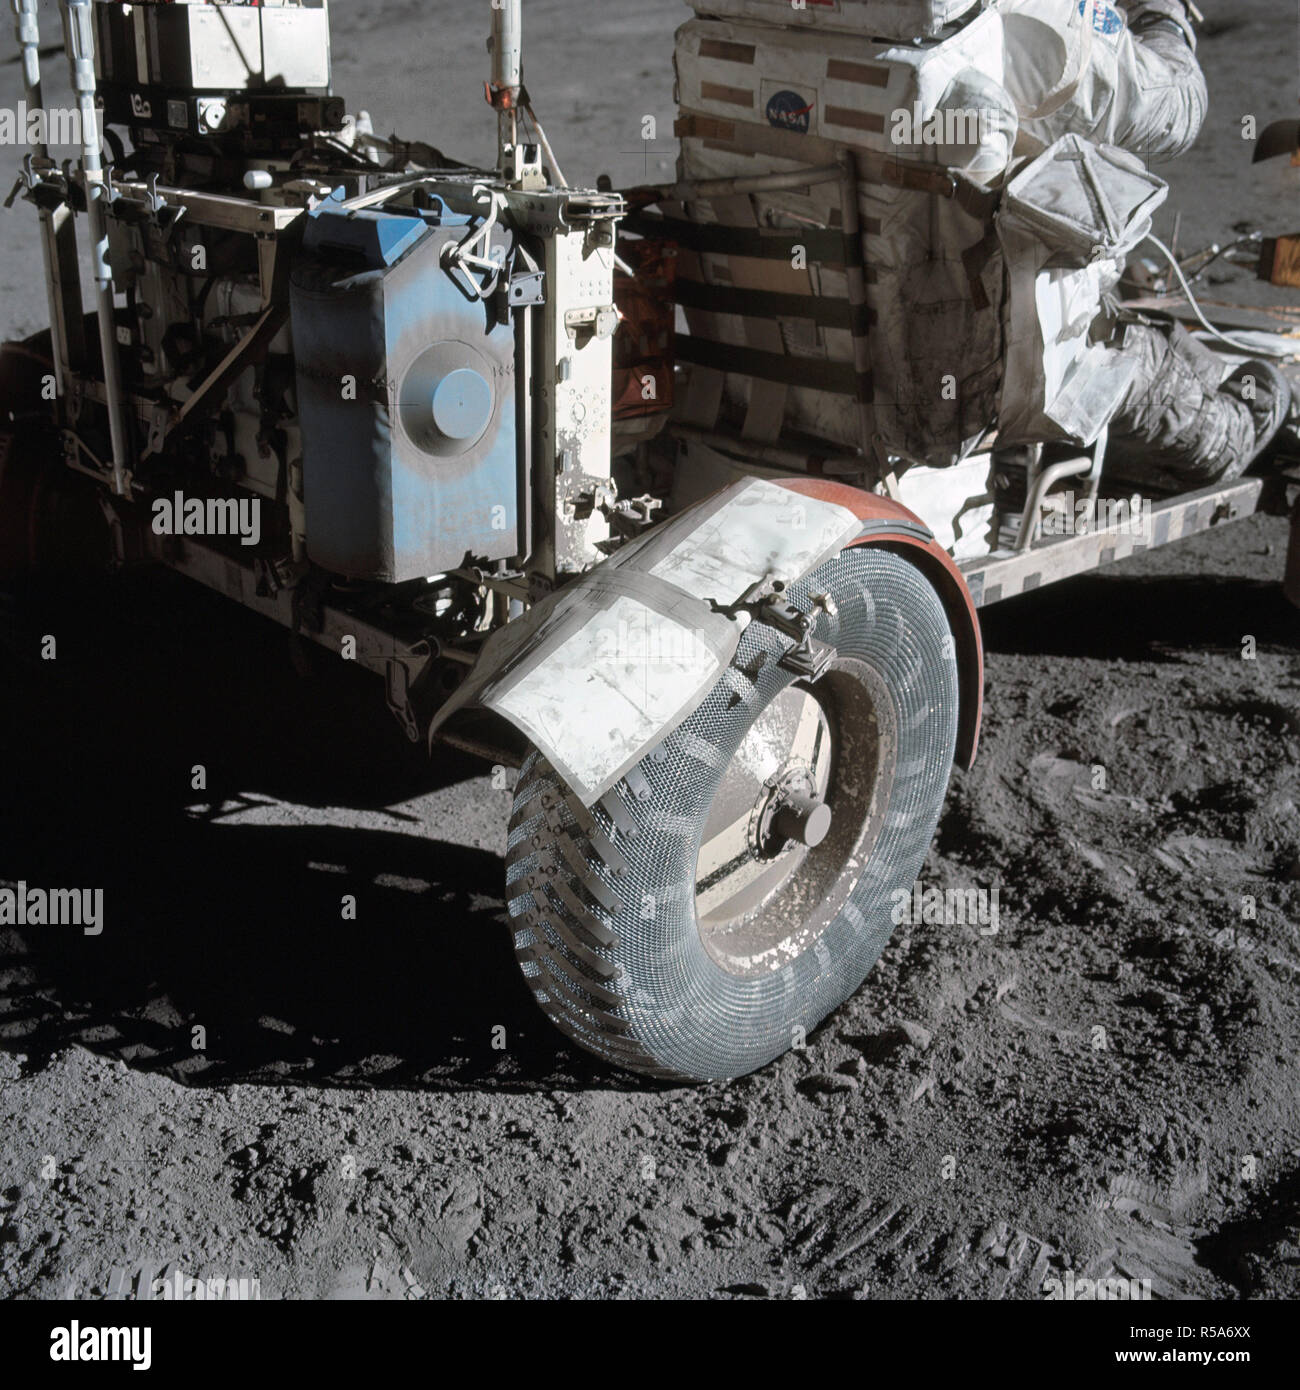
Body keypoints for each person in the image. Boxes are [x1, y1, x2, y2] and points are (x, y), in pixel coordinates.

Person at [1003, 0, 1292, 490]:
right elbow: (1171, 104)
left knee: (1181, 356)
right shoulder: (1014, 22)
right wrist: (1161, 15)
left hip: (864, 355)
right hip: (1036, 355)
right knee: (1242, 422)